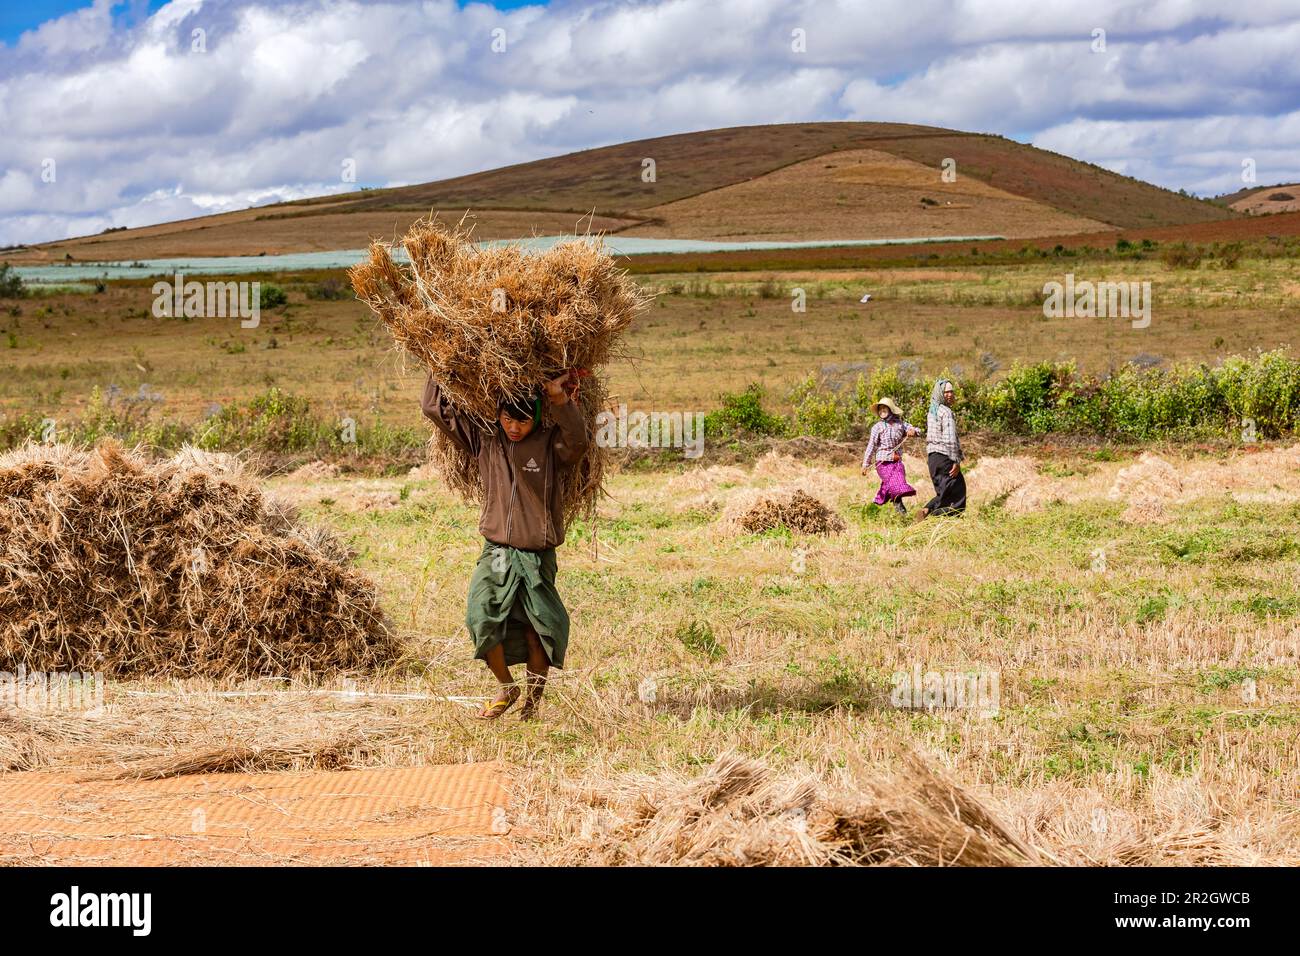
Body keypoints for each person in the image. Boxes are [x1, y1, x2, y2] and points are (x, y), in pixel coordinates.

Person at [420, 370, 588, 721]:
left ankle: (533, 703)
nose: (514, 427)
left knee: (537, 629)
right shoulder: (485, 440)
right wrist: (438, 364)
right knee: (481, 616)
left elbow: (578, 440)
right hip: (497, 553)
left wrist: (559, 398)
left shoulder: (550, 446)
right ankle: (507, 687)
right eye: (507, 418)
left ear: (537, 418)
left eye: (523, 421)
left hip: (537, 555)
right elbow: (434, 409)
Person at [860, 396, 921, 515]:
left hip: (897, 462)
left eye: (885, 409)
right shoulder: (877, 427)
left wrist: (913, 431)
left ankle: (892, 508)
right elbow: (871, 446)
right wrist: (865, 464)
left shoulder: (900, 424)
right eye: (880, 410)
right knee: (895, 485)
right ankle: (902, 512)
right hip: (883, 463)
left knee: (897, 483)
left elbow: (917, 430)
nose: (882, 411)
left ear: (890, 410)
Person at [919, 379, 966, 518]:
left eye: (952, 391)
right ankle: (933, 520)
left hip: (933, 459)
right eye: (946, 392)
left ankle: (926, 511)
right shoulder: (946, 412)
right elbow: (949, 439)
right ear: (939, 393)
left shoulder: (932, 411)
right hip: (945, 457)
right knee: (958, 494)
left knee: (943, 493)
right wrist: (956, 461)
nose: (950, 394)